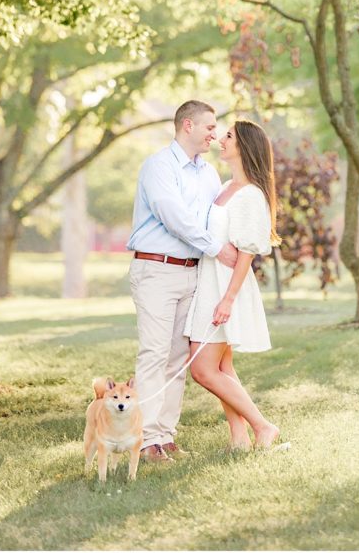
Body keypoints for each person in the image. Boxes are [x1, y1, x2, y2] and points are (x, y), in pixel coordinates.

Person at [127, 100, 239, 463]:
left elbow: (215, 216)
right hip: (156, 270)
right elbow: (172, 216)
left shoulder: (208, 173)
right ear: (187, 125)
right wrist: (216, 248)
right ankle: (144, 441)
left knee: (177, 359)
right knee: (155, 354)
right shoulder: (159, 166)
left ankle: (164, 436)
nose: (215, 134)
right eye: (209, 127)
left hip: (193, 271)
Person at [183, 119, 282, 450]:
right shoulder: (225, 187)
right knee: (223, 366)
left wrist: (227, 299)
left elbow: (247, 252)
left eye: (228, 136)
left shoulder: (251, 195)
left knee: (202, 369)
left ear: (244, 146)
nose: (220, 139)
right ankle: (239, 437)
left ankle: (263, 426)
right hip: (210, 281)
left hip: (228, 287)